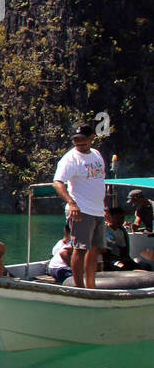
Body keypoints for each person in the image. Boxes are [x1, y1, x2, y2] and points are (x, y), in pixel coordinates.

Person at [51, 123, 106, 289]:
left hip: (98, 210)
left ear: (91, 139)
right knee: (80, 249)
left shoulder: (96, 154)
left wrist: (104, 206)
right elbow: (57, 183)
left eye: (82, 140)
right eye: (76, 140)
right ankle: (79, 288)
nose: (79, 143)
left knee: (95, 250)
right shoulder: (70, 159)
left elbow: (98, 182)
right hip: (81, 210)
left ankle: (91, 286)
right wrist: (71, 203)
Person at [102, 205, 139, 270]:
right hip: (108, 260)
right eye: (117, 218)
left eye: (122, 218)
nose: (120, 220)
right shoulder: (104, 229)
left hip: (119, 258)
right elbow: (105, 252)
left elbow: (123, 248)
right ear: (110, 217)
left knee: (138, 266)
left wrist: (125, 259)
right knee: (122, 268)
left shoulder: (121, 231)